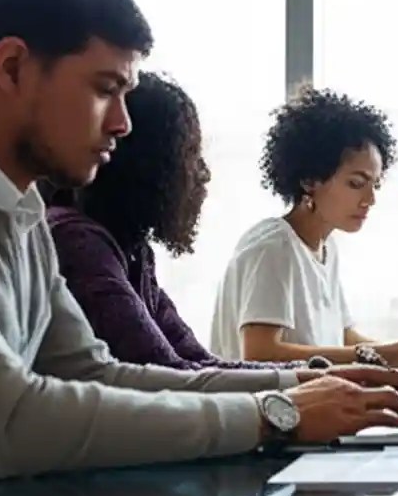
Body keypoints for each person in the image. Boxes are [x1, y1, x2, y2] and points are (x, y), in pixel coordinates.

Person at [0, 0, 398, 485]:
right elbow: (11, 423)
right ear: (12, 67)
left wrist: (302, 380)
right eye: (105, 89)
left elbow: (99, 375)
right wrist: (280, 414)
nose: (122, 124)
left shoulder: (23, 213)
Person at [45, 70, 315, 375]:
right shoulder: (79, 242)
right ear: (151, 164)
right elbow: (167, 373)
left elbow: (198, 360)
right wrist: (304, 380)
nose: (202, 172)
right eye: (190, 154)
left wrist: (314, 374)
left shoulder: (134, 250)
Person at [210, 86, 398, 368]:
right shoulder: (273, 248)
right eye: (356, 184)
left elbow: (342, 336)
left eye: (374, 184)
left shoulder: (325, 248)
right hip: (270, 410)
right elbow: (260, 353)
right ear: (309, 180)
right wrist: (397, 354)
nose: (371, 199)